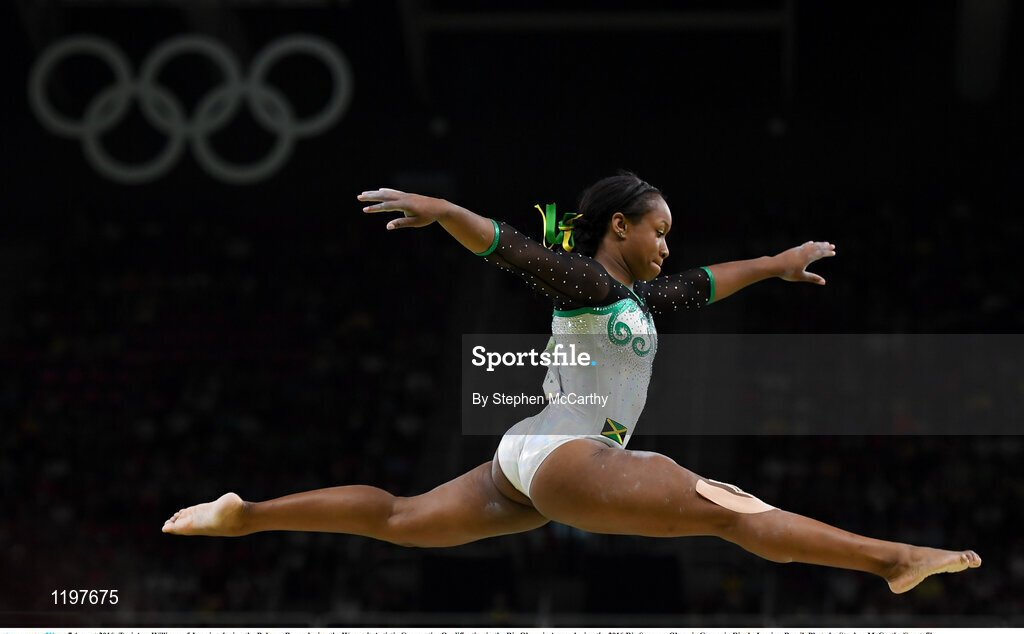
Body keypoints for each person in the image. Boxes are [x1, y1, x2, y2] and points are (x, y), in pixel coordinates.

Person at [163, 172, 980, 595]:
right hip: (568, 451)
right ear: (618, 226)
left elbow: (703, 283)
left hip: (535, 452)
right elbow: (511, 248)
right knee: (732, 514)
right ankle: (892, 559)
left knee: (398, 516)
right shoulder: (587, 281)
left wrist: (774, 264)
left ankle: (247, 517)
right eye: (656, 231)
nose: (667, 246)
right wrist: (443, 208)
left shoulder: (636, 295)